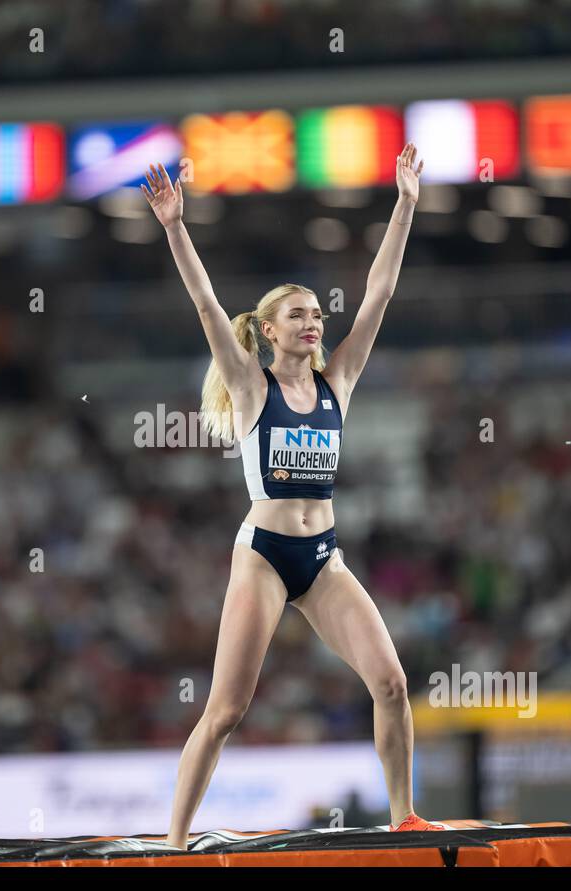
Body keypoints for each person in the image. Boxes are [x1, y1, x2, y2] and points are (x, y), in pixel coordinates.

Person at [142, 144, 444, 850]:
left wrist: (405, 205)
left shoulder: (339, 383)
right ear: (269, 331)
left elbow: (379, 294)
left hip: (324, 559)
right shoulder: (253, 387)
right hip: (265, 557)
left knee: (392, 683)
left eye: (316, 314)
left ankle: (404, 816)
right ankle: (173, 843)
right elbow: (206, 304)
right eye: (298, 315)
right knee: (225, 710)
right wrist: (175, 227)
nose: (313, 322)